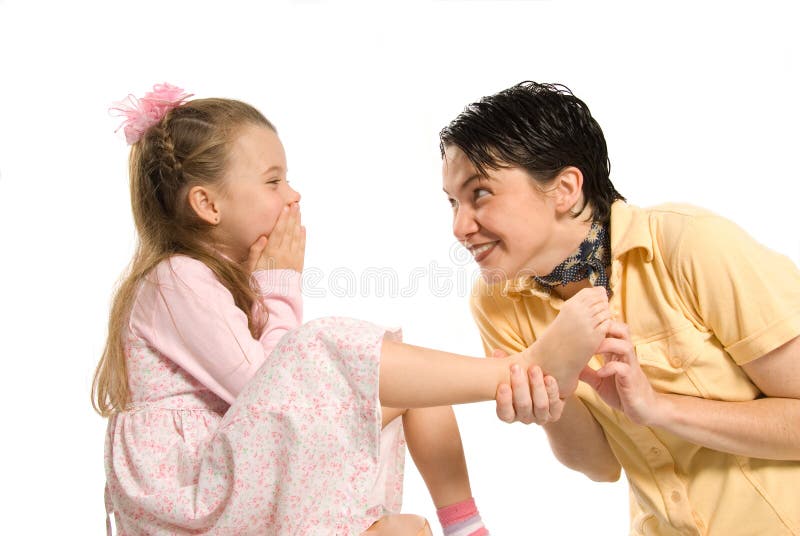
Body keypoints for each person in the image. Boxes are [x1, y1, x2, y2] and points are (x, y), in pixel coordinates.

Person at [93, 83, 611, 536]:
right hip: (194, 497)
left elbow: (278, 403)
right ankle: (517, 371)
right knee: (326, 349)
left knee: (401, 377)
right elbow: (270, 389)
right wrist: (280, 285)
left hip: (234, 470)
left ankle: (466, 524)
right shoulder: (175, 278)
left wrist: (267, 287)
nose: (292, 195)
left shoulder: (223, 282)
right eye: (273, 181)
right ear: (208, 205)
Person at [440, 81, 800, 536]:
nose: (459, 226)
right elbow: (599, 465)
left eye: (480, 194)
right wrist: (553, 400)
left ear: (565, 188)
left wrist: (656, 408)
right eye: (452, 202)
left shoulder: (687, 244)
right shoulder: (496, 304)